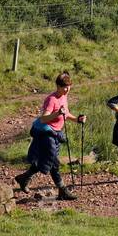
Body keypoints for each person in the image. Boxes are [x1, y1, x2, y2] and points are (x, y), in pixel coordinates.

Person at [15, 72, 87, 201]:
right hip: (45, 133)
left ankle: (24, 178)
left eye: (69, 87)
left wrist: (77, 119)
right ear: (58, 86)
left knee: (47, 160)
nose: (67, 90)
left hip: (55, 133)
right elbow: (43, 118)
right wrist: (57, 113)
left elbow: (66, 113)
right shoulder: (51, 99)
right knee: (54, 162)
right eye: (64, 87)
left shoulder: (64, 97)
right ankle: (62, 190)